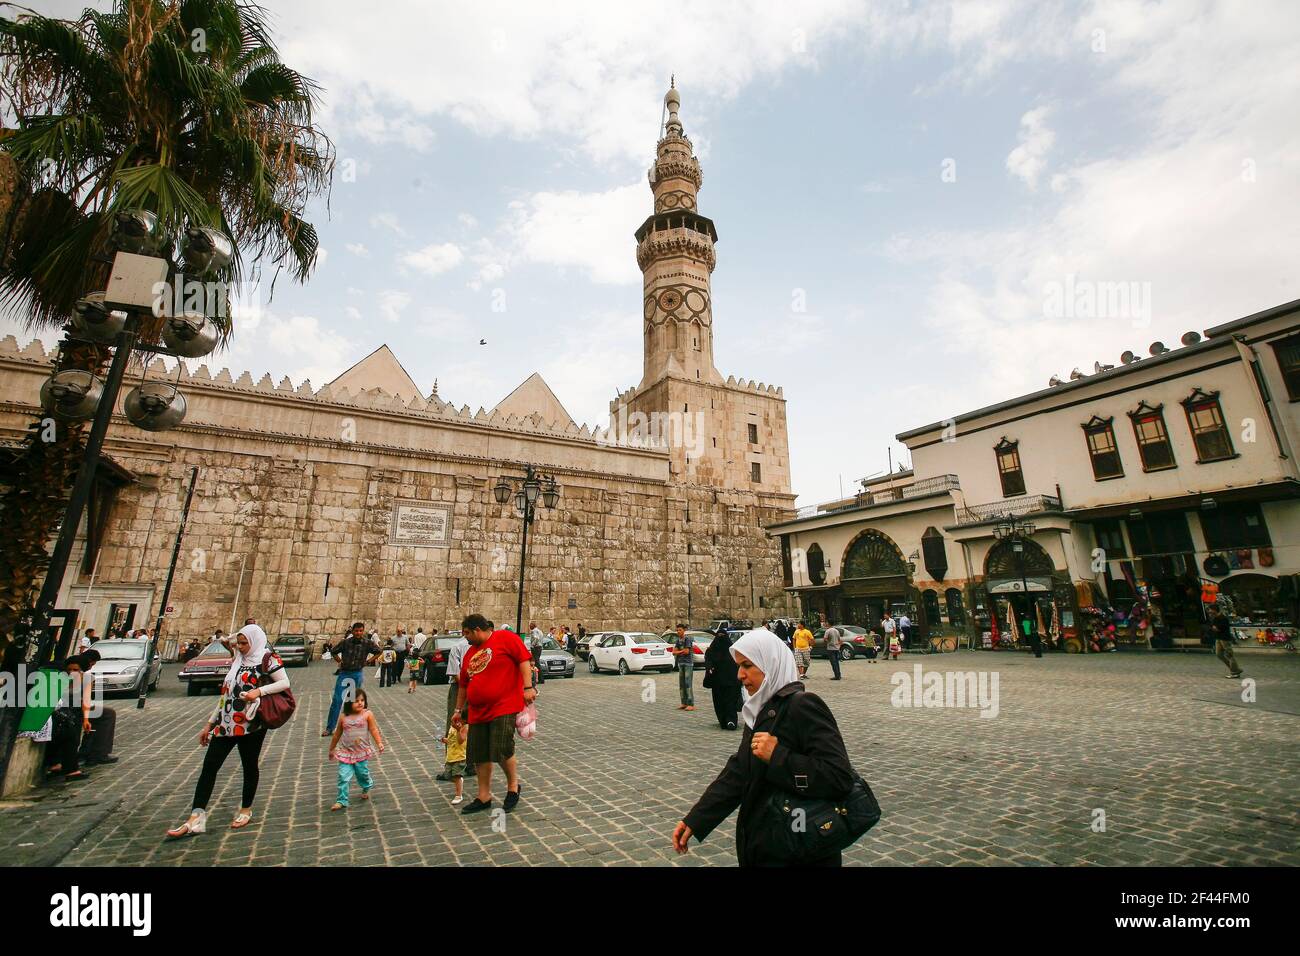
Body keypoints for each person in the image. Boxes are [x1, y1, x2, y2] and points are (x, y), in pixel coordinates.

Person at [672, 628, 854, 866]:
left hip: (801, 852)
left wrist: (778, 755)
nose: (739, 675)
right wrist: (697, 819)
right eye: (739, 666)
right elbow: (740, 771)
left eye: (747, 666)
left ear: (771, 664)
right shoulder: (760, 710)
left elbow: (839, 777)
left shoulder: (803, 706)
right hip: (767, 847)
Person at [166, 624, 291, 837]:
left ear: (255, 641)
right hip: (226, 724)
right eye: (239, 643)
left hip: (251, 723)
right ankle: (196, 817)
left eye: (244, 643)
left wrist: (258, 692)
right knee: (209, 767)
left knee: (249, 765)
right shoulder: (237, 661)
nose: (241, 647)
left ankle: (246, 809)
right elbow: (226, 696)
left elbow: (285, 683)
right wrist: (209, 724)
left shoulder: (268, 659)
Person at [451, 614, 535, 815]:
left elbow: (524, 661)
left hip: (504, 705)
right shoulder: (470, 653)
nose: (466, 638)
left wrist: (528, 687)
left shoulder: (506, 638)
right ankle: (484, 796)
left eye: (467, 633)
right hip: (477, 710)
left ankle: (513, 787)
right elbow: (463, 684)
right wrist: (457, 711)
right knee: (479, 753)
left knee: (502, 747)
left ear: (478, 629)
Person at [44, 650, 103, 781]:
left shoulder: (88, 679)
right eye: (69, 669)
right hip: (58, 710)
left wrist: (86, 719)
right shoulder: (61, 678)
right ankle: (61, 766)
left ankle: (68, 766)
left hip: (74, 711)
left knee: (72, 728)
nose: (72, 672)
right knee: (64, 727)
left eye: (75, 669)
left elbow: (85, 700)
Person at [329, 688, 385, 811]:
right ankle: (341, 800)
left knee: (362, 774)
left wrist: (379, 743)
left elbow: (373, 729)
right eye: (356, 701)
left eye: (362, 700)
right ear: (349, 703)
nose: (360, 703)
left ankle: (366, 785)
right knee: (343, 776)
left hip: (361, 752)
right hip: (346, 752)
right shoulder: (344, 717)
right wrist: (331, 749)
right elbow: (337, 734)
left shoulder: (367, 714)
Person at [322, 622, 380, 737]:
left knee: (354, 701)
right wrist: (339, 661)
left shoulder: (367, 643)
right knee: (337, 700)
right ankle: (330, 728)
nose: (358, 633)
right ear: (353, 631)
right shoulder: (345, 643)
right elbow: (333, 651)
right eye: (356, 631)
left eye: (360, 631)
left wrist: (369, 661)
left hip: (357, 673)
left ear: (363, 631)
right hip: (344, 673)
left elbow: (378, 651)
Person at [436, 629, 475, 782]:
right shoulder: (462, 647)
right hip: (468, 689)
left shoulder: (459, 647)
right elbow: (456, 673)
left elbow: (455, 673)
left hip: (464, 688)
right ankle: (462, 766)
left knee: (458, 725)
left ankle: (457, 767)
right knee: (464, 725)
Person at [703, 628, 742, 730]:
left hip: (731, 681)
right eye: (718, 636)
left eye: (722, 636)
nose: (720, 639)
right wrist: (709, 668)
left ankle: (731, 721)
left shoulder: (733, 650)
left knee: (730, 702)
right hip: (718, 681)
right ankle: (723, 720)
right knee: (719, 702)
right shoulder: (711, 650)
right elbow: (708, 661)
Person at [441, 718, 468, 806]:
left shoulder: (465, 727)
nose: (455, 722)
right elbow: (452, 740)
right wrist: (446, 740)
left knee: (456, 775)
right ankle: (459, 780)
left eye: (458, 720)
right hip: (450, 756)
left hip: (459, 757)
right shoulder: (452, 728)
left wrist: (458, 730)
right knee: (448, 776)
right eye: (454, 720)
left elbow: (460, 741)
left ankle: (458, 795)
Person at [1211, 607, 1243, 679]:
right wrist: (1215, 628)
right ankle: (1235, 669)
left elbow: (1222, 628)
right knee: (1219, 654)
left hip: (1224, 638)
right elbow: (1213, 626)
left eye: (1210, 610)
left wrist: (1217, 628)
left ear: (1214, 610)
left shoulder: (1223, 618)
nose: (1210, 612)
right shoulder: (1215, 618)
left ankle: (1234, 672)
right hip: (1218, 638)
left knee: (1229, 655)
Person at [671, 624, 696, 711]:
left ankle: (691, 703)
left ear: (684, 630)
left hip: (688, 664)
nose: (678, 632)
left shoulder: (687, 639)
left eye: (680, 630)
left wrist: (679, 651)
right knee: (682, 684)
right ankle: (684, 703)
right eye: (677, 630)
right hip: (680, 663)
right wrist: (680, 652)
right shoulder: (678, 640)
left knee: (688, 683)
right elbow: (673, 652)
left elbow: (687, 651)